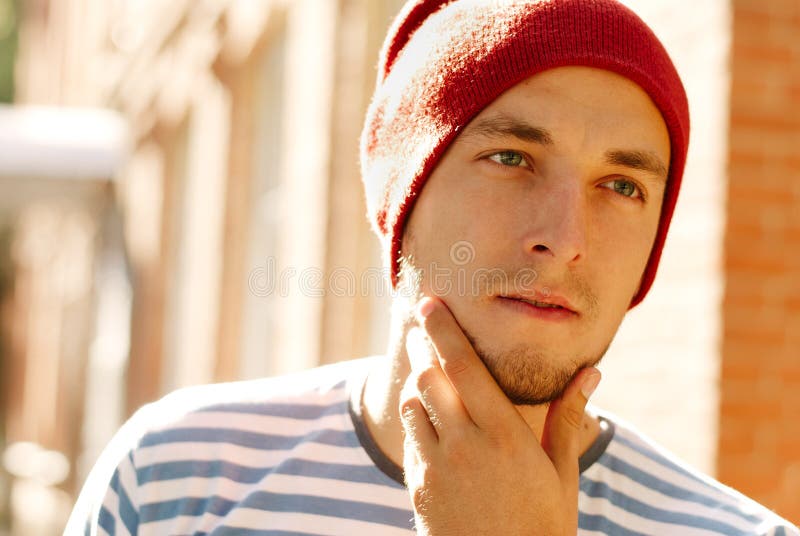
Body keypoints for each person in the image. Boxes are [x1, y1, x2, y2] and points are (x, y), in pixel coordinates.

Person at [67, 0, 799, 534]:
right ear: (400, 199)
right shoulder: (173, 476)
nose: (565, 238)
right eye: (510, 158)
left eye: (622, 185)